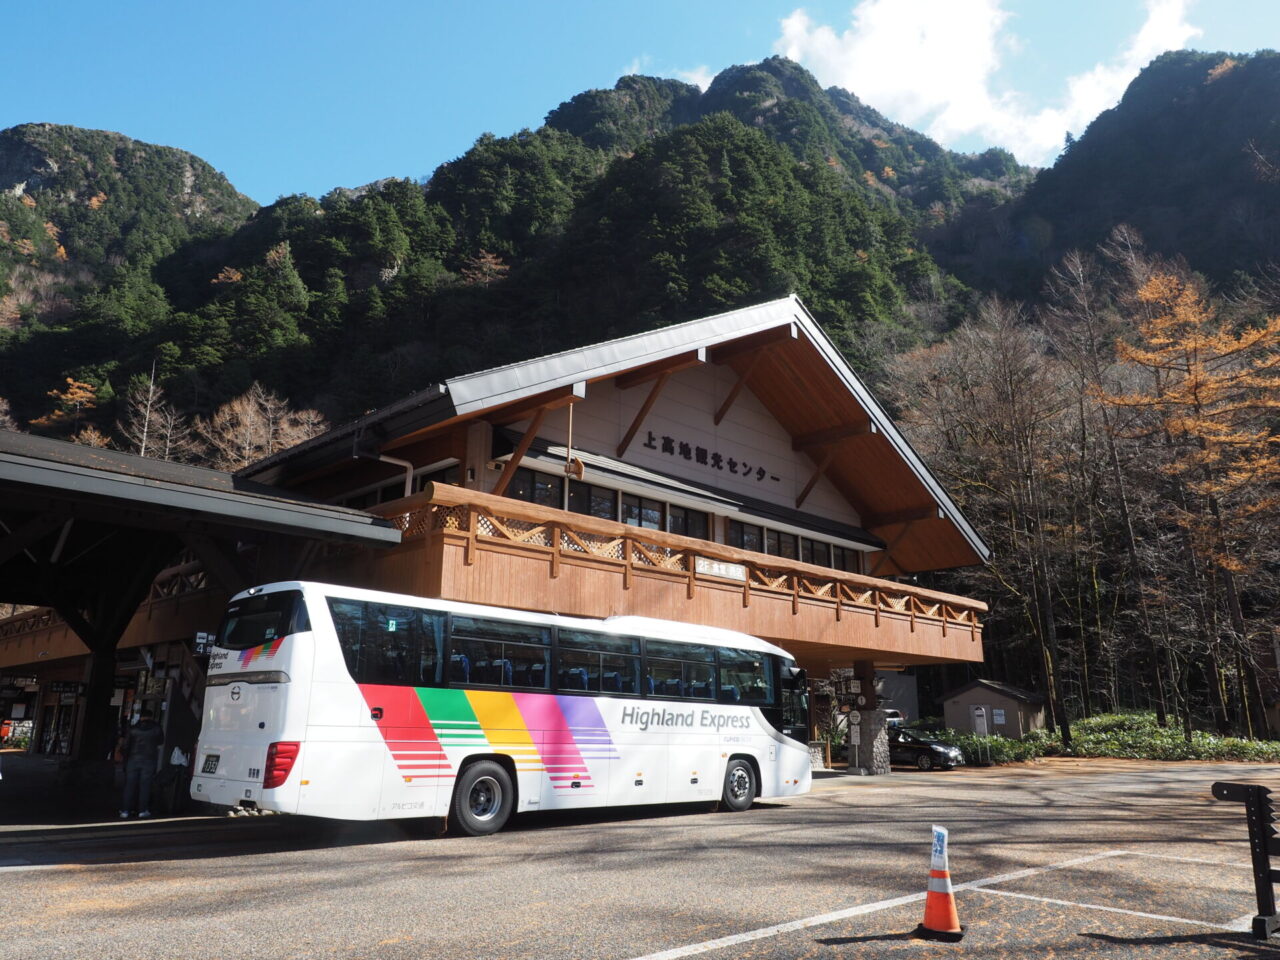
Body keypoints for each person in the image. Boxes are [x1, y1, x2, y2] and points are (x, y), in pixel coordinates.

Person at [119, 708, 164, 819]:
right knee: (145, 786)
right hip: (149, 760)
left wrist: (125, 758)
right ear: (151, 717)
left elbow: (126, 745)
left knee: (129, 785)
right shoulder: (156, 728)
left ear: (141, 717)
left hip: (133, 760)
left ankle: (125, 811)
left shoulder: (133, 728)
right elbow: (161, 741)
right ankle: (142, 810)